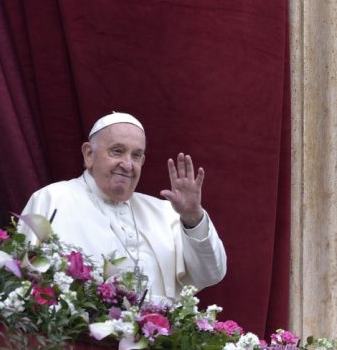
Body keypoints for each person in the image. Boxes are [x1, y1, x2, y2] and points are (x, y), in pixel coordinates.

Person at [19, 112, 226, 304]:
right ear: (89, 154)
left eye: (136, 156)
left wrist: (192, 218)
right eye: (117, 151)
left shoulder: (166, 213)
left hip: (157, 338)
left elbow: (211, 273)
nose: (127, 164)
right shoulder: (52, 199)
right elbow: (25, 283)